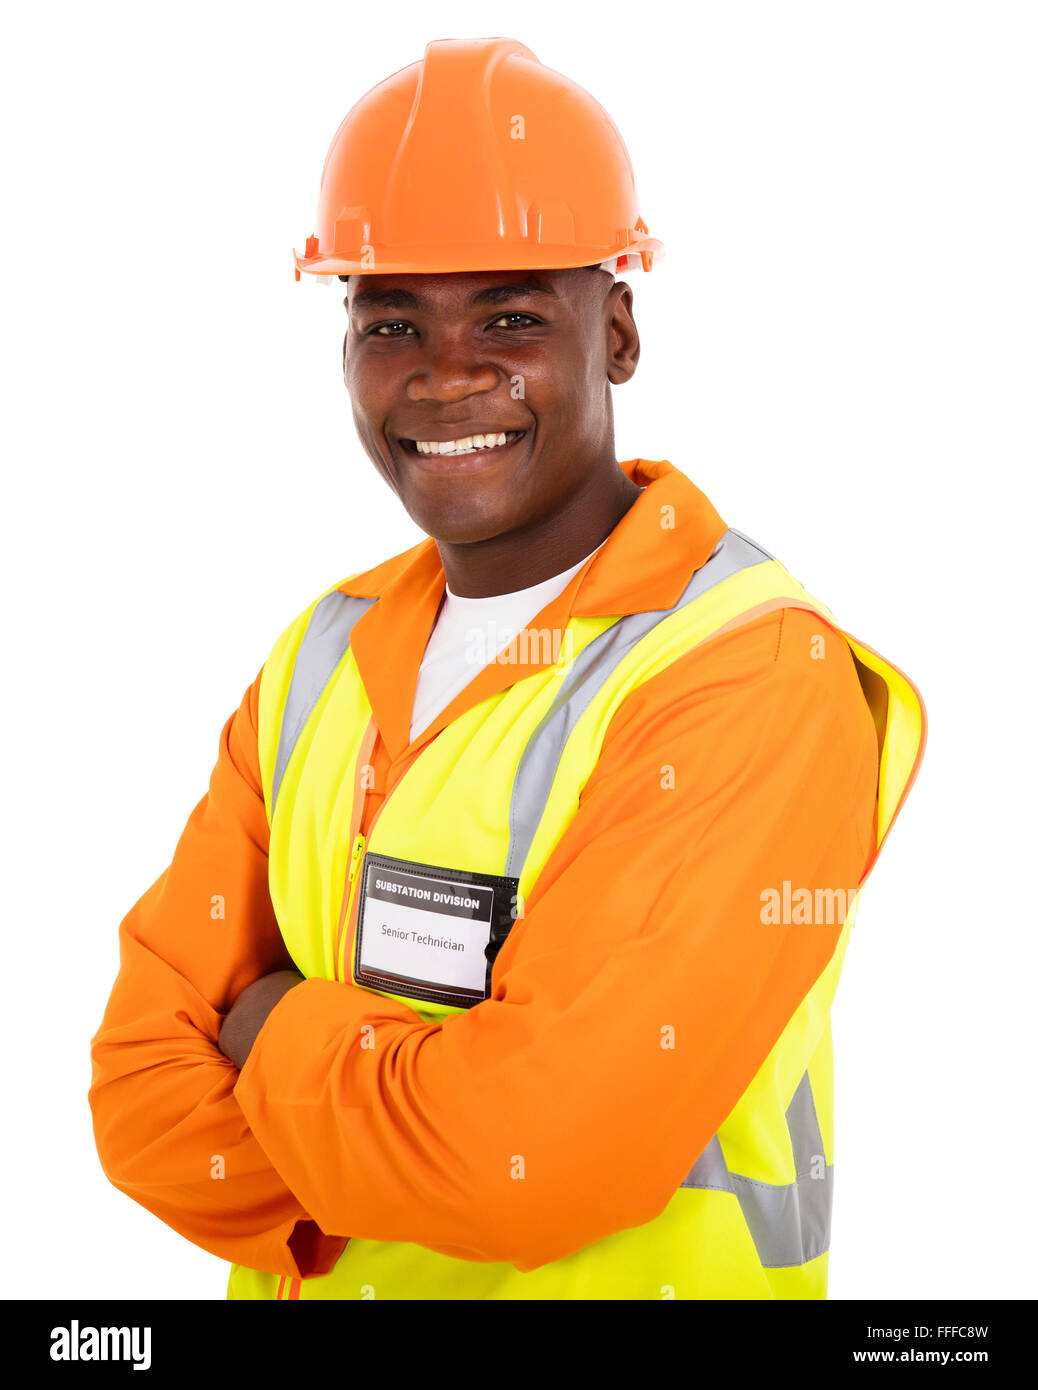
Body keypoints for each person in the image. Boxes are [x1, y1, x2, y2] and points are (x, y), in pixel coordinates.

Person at [89, 36, 926, 1301]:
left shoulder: (748, 677)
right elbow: (139, 1104)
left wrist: (276, 1028)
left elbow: (529, 1161)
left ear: (621, 331)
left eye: (513, 314)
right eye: (391, 321)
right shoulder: (323, 653)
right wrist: (424, 1118)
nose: (446, 373)